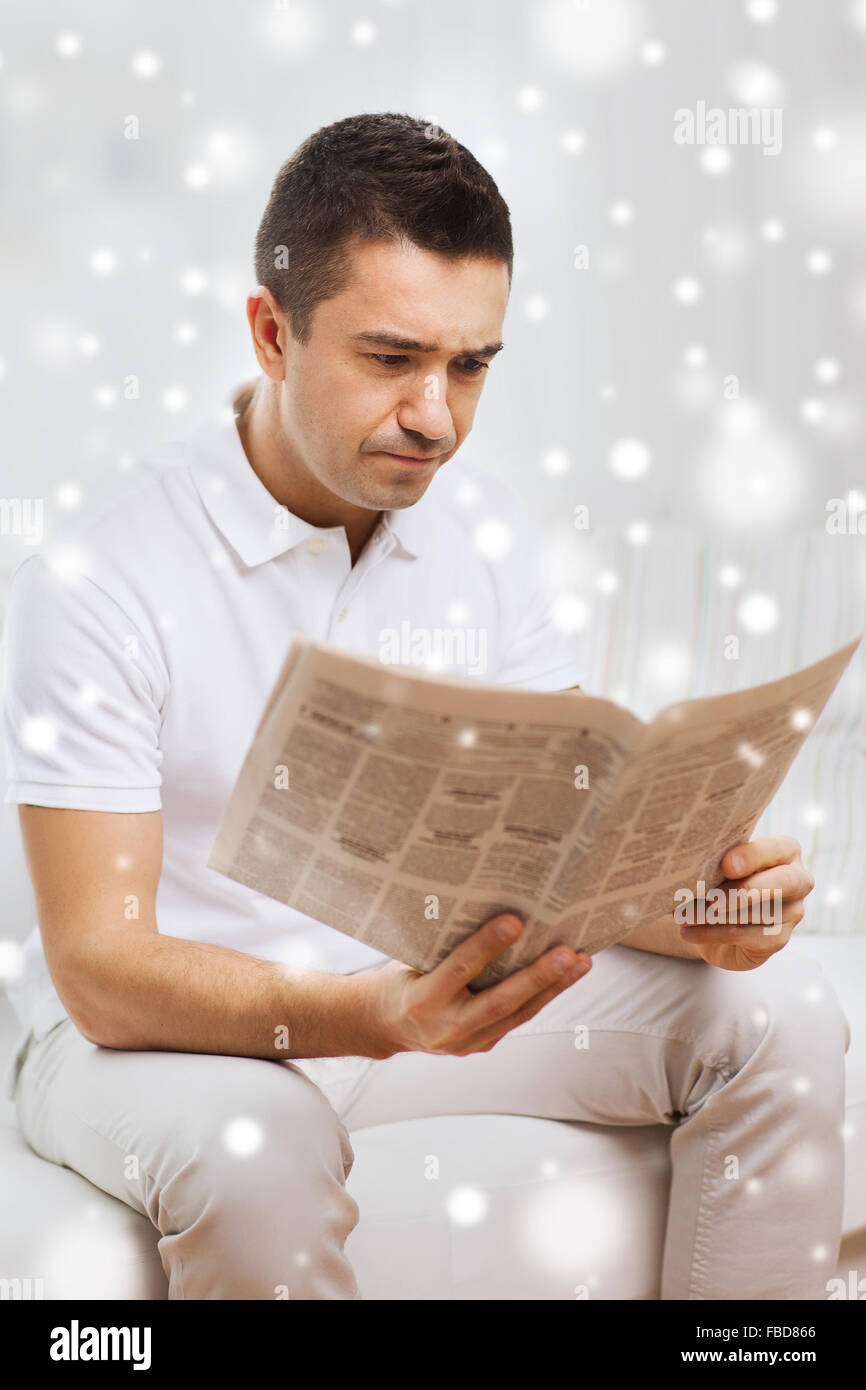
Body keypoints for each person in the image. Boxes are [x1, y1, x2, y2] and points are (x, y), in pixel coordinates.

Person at [2, 112, 846, 1301]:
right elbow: (98, 966)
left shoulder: (487, 537)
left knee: (784, 1011)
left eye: (469, 365)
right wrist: (368, 1015)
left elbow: (553, 862)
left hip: (408, 996)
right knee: (258, 1150)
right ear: (270, 333)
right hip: (155, 1039)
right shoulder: (100, 574)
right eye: (390, 358)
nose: (435, 417)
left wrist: (703, 907)